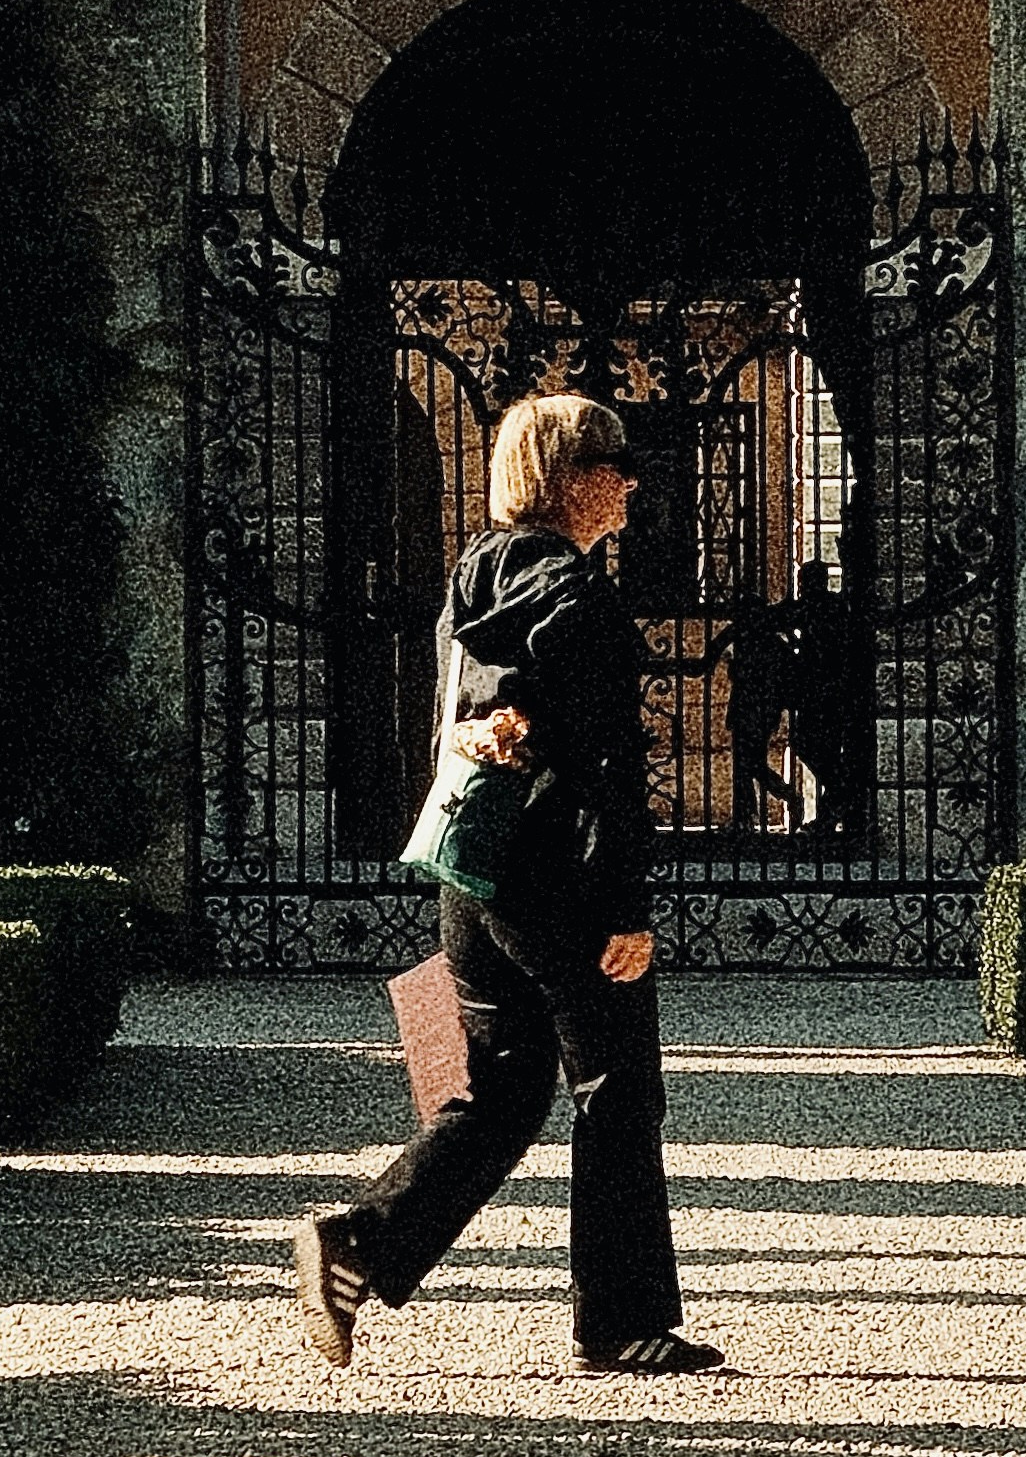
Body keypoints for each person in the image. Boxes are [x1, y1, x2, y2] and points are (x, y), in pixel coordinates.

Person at [294, 388, 724, 1383]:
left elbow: (484, 714)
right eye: (615, 464)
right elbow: (612, 769)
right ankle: (620, 1321)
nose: (629, 482)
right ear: (574, 481)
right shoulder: (580, 600)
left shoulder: (474, 575)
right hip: (561, 881)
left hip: (472, 868)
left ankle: (360, 1240)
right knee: (618, 1090)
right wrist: (627, 910)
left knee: (498, 1091)